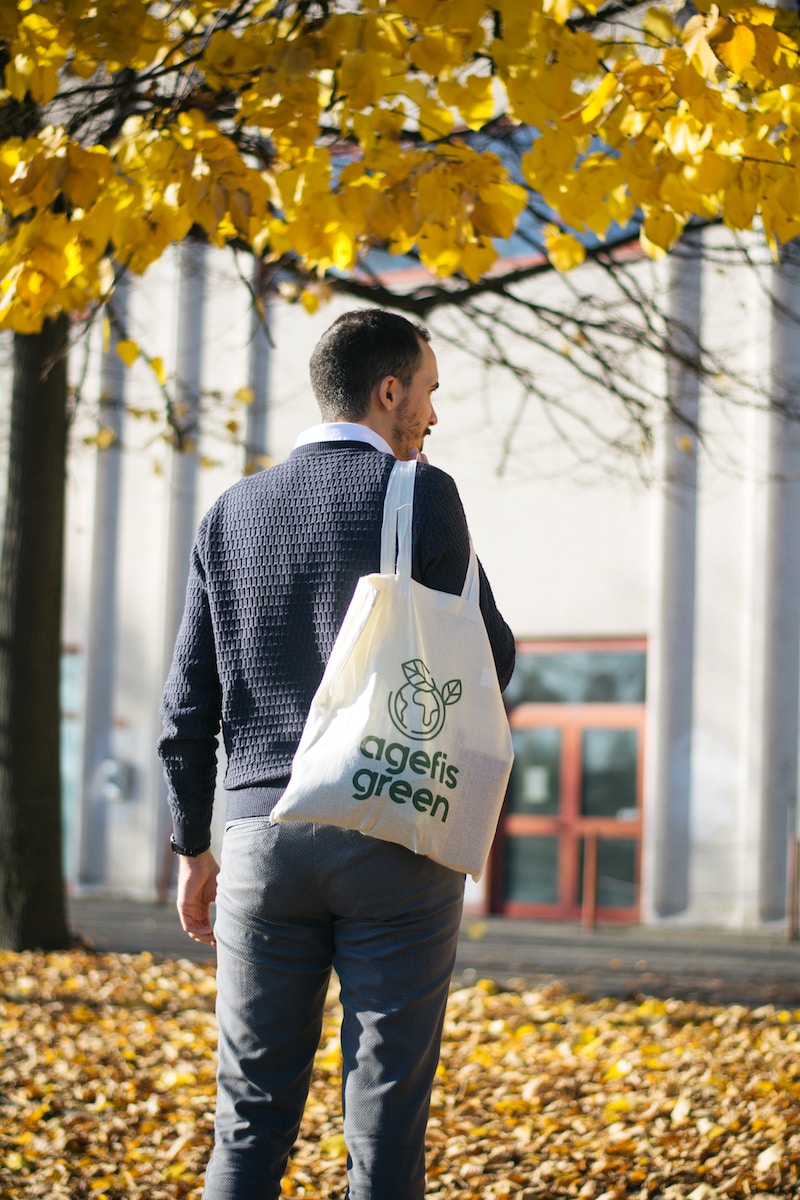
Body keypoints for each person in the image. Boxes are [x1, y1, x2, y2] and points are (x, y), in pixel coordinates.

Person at [158, 308, 516, 1200]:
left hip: (258, 841)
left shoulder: (229, 513)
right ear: (389, 391)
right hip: (389, 825)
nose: (432, 415)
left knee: (247, 1119)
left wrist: (193, 848)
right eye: (428, 391)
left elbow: (186, 706)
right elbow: (492, 658)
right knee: (385, 1125)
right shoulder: (421, 494)